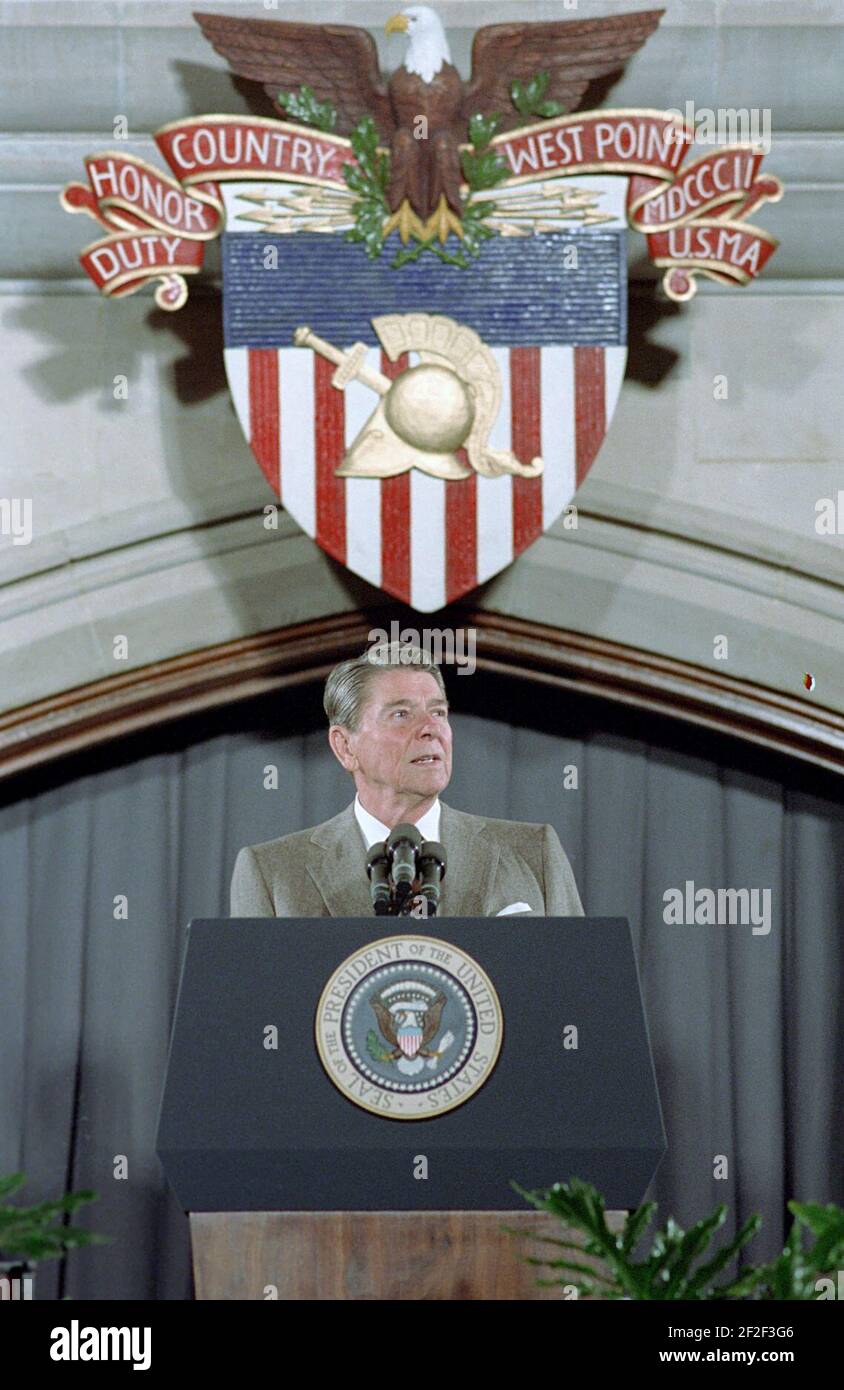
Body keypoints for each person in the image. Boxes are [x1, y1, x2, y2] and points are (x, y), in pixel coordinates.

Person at [230, 643, 584, 917]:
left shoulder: (532, 852)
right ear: (345, 746)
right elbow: (252, 1008)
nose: (431, 728)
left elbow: (583, 995)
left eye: (438, 711)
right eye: (401, 714)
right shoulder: (274, 874)